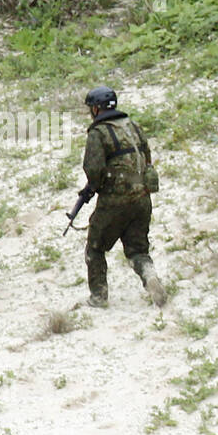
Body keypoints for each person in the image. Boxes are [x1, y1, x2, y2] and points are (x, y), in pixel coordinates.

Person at [80, 86, 166, 308]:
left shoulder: (98, 133)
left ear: (96, 109)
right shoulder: (133, 126)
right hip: (142, 199)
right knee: (137, 249)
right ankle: (150, 276)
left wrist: (93, 188)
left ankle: (99, 296)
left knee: (95, 248)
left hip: (114, 203)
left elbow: (93, 169)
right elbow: (147, 158)